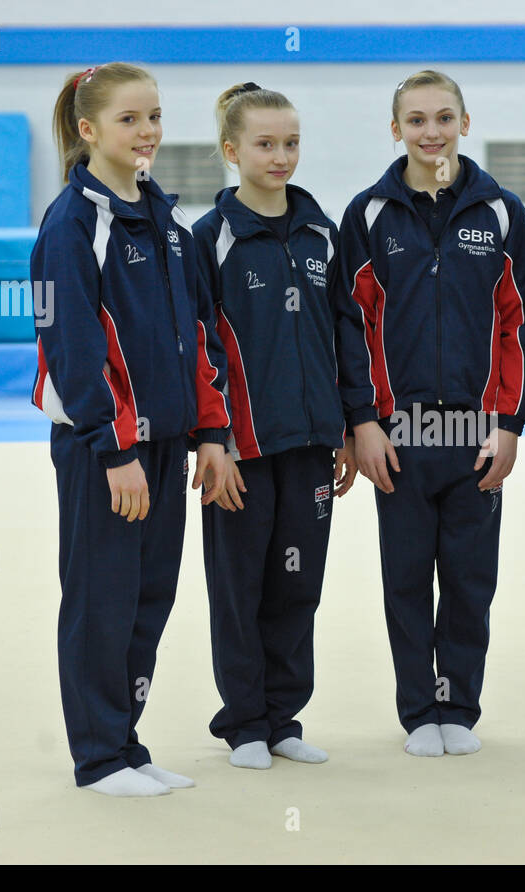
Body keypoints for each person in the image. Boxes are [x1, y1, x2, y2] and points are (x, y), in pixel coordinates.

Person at [32, 62, 232, 797]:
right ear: (88, 130)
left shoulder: (167, 222)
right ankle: (98, 757)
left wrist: (210, 433)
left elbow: (199, 335)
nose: (147, 131)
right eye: (129, 119)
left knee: (149, 599)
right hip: (105, 450)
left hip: (165, 445)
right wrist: (114, 448)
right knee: (102, 600)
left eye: (154, 116)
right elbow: (71, 346)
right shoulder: (70, 225)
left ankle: (126, 741)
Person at [332, 70, 525, 757]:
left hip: (477, 434)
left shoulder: (502, 213)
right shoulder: (367, 215)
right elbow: (351, 326)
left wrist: (509, 424)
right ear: (396, 130)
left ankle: (460, 707)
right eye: (416, 120)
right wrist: (362, 421)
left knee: (471, 581)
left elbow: (520, 326)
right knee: (407, 579)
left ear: (465, 123)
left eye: (444, 117)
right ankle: (420, 710)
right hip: (399, 436)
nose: (431, 131)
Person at [192, 82, 356, 770]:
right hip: (242, 450)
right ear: (232, 150)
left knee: (297, 586)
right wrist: (213, 440)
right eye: (264, 144)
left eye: (290, 142)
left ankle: (283, 718)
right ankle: (244, 723)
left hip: (311, 442)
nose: (280, 156)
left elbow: (345, 335)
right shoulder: (209, 239)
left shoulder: (323, 233)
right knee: (240, 589)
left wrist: (347, 427)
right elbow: (199, 346)